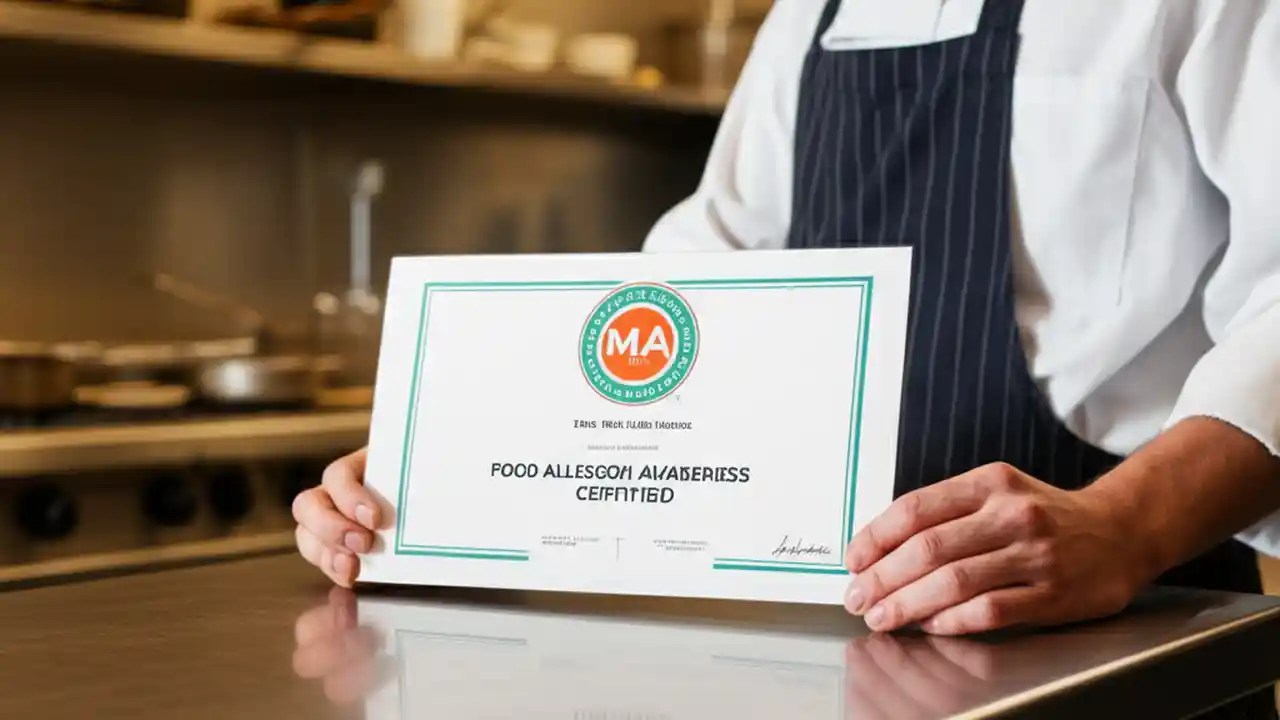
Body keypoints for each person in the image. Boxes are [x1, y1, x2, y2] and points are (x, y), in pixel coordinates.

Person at [294, 1, 1280, 705]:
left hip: (1132, 625)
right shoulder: (807, 17)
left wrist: (1121, 529)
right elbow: (689, 295)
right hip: (837, 657)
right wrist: (445, 483)